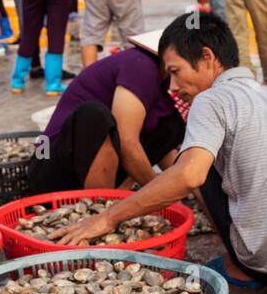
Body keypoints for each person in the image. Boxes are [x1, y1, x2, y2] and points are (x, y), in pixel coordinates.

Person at [55, 12, 267, 287]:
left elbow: (189, 176)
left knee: (193, 162)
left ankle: (238, 267)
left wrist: (107, 218)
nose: (173, 87)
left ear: (207, 57)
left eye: (175, 72)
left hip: (265, 265)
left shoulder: (212, 99)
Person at [32, 38, 186, 194]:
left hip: (94, 166)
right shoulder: (140, 64)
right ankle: (103, 207)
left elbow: (165, 147)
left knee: (172, 124)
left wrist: (189, 187)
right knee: (95, 116)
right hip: (52, 170)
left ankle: (115, 196)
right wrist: (160, 194)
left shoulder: (163, 81)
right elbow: (127, 144)